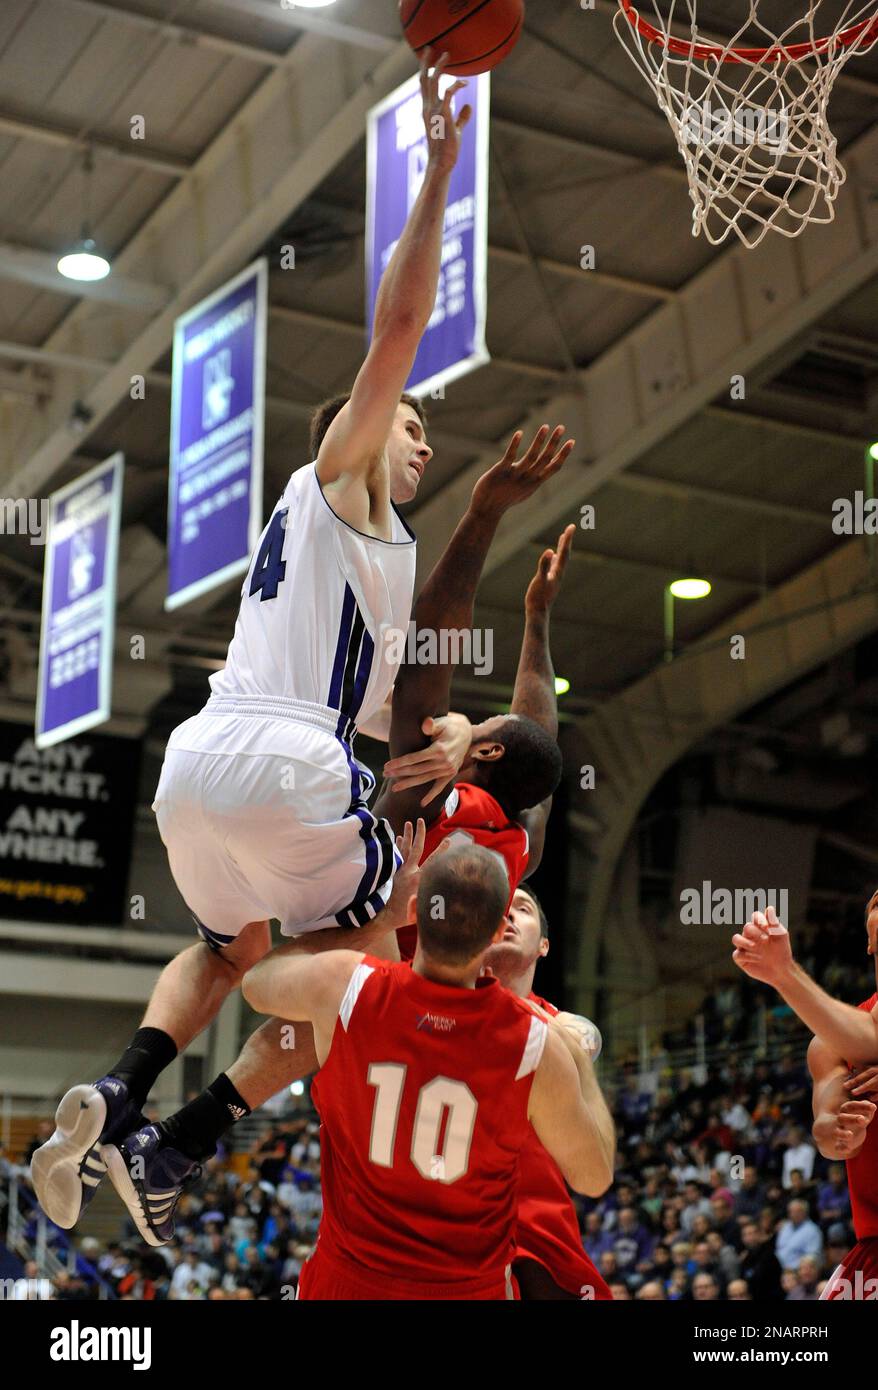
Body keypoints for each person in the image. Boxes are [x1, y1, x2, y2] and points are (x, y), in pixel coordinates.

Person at [31, 56, 483, 1243]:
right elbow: (399, 323)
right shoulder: (338, 479)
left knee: (224, 945)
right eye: (410, 425)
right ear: (358, 426)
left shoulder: (373, 557)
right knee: (376, 962)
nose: (419, 445)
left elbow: (388, 724)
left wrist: (436, 735)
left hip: (202, 770)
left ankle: (123, 1089)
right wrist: (437, 173)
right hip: (285, 758)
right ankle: (188, 1138)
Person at [241, 844, 615, 1300]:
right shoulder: (536, 1046)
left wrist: (384, 916)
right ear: (497, 930)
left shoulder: (346, 985)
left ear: (416, 911)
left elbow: (256, 983)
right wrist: (580, 1066)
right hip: (464, 1290)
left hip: (347, 1281)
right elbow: (593, 1178)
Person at [732, 894, 878, 1299]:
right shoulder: (826, 1046)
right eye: (876, 901)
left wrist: (783, 974)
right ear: (868, 941)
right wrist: (842, 1134)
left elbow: (868, 1040)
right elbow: (826, 1133)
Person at [480, 884, 612, 1300]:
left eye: (522, 909)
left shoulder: (569, 1026)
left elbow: (580, 1042)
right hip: (453, 1232)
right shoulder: (433, 1008)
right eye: (498, 910)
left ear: (544, 945)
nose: (509, 917)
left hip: (539, 1240)